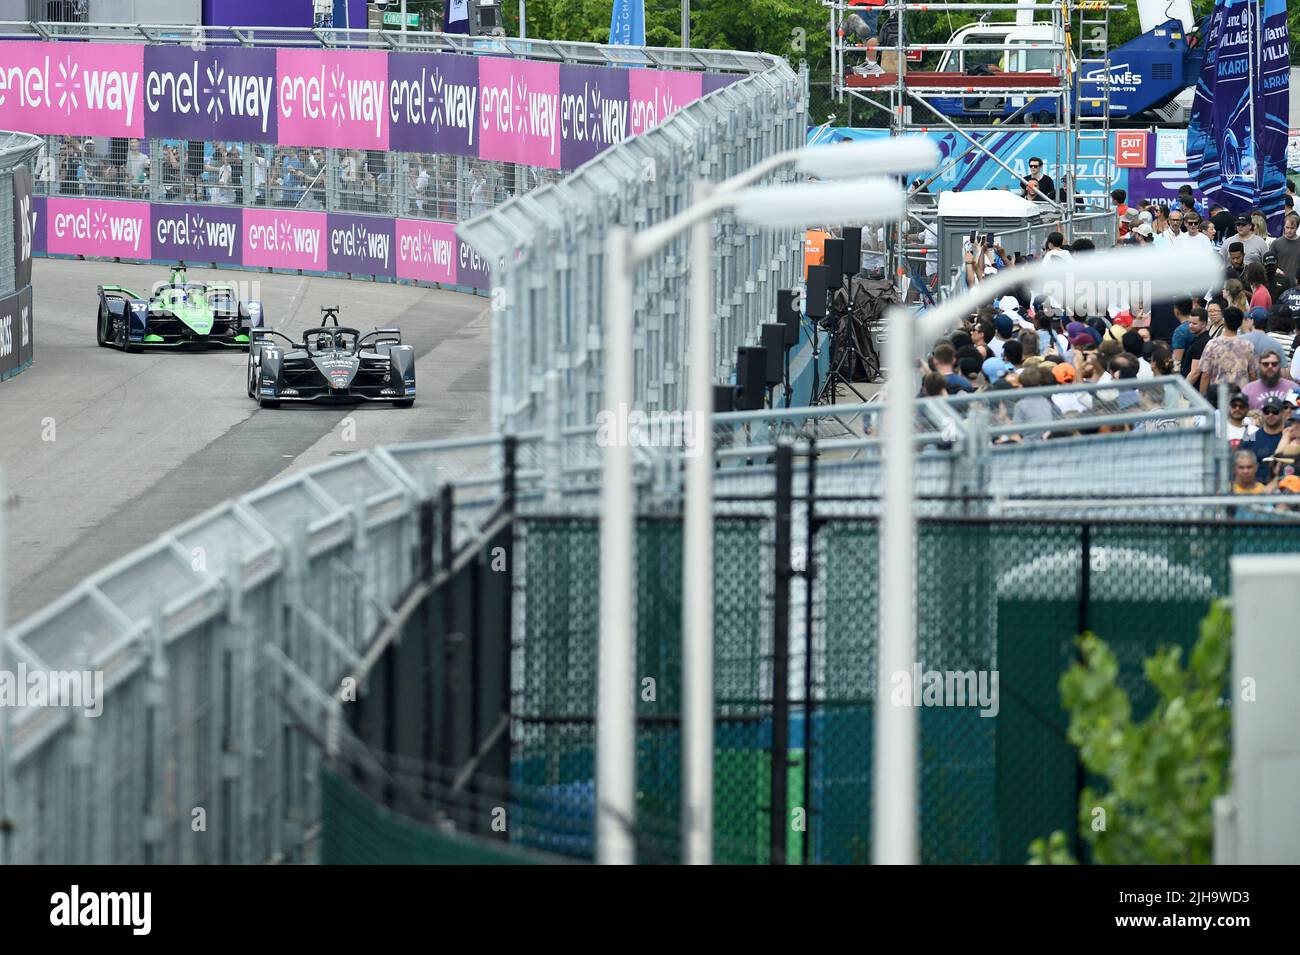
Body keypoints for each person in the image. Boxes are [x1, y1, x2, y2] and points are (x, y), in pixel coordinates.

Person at [1198, 306, 1259, 400]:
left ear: (1224, 322)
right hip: (1240, 396)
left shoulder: (1212, 344)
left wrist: (1202, 397)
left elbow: (1205, 374)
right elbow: (1253, 374)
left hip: (1217, 395)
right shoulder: (1248, 345)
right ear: (1240, 323)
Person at [1240, 396, 1291, 483]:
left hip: (1286, 487)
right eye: (1266, 411)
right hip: (1257, 490)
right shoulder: (1250, 437)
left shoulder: (1290, 435)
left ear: (1282, 413)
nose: (1270, 414)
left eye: (1275, 411)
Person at [1270, 213, 1300, 280]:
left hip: (1297, 285)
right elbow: (1269, 263)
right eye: (1287, 227)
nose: (1289, 230)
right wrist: (1276, 269)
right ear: (1284, 226)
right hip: (1279, 283)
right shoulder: (1276, 243)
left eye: (1292, 228)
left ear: (1297, 228)